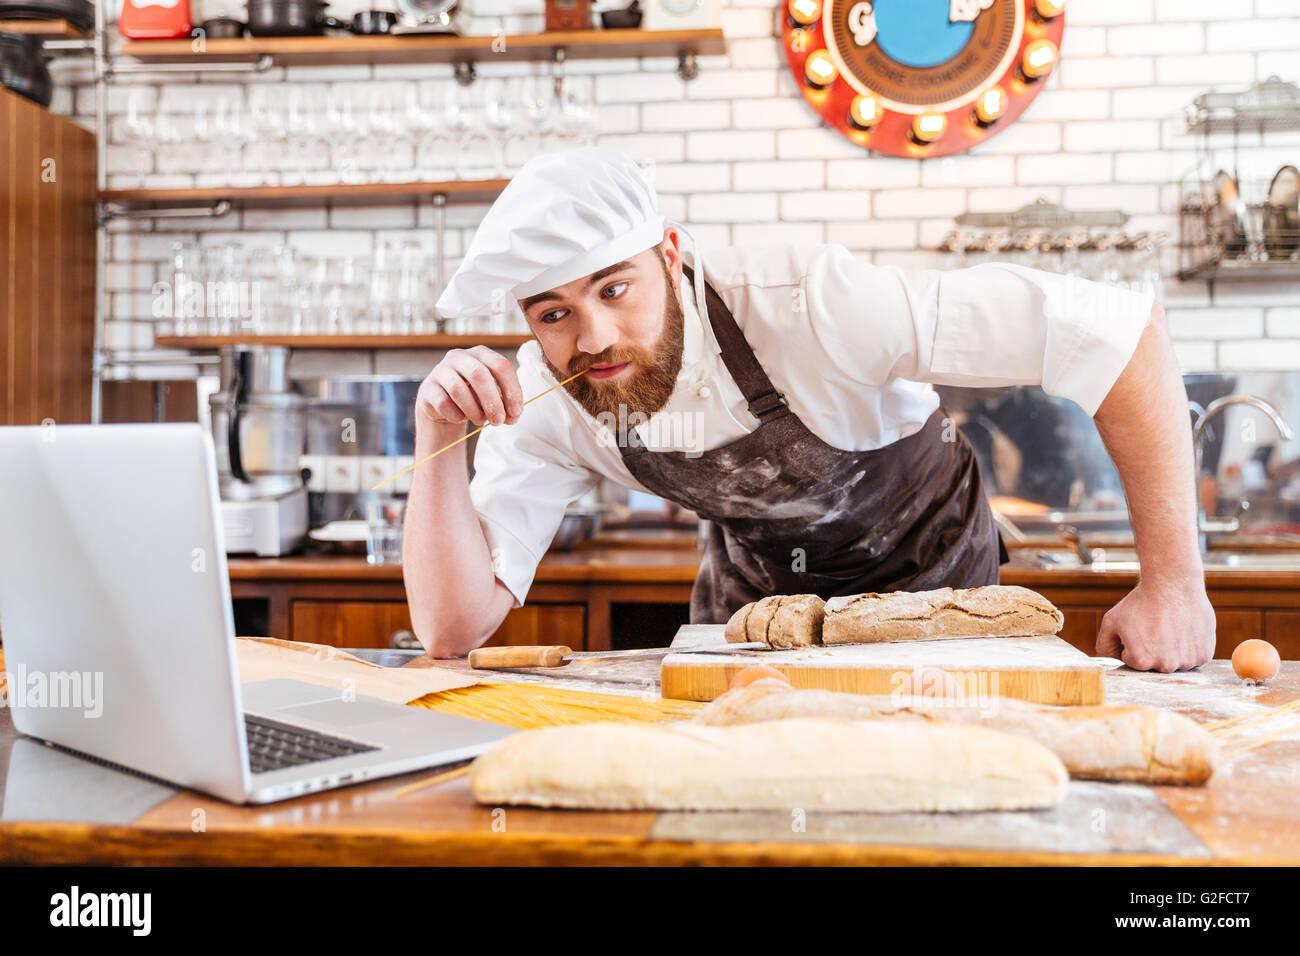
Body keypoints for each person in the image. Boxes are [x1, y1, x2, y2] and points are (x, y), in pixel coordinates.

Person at [402, 147, 1215, 672]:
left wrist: (1175, 585)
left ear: (672, 256)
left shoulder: (816, 306)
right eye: (553, 314)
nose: (595, 337)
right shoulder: (549, 398)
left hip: (936, 605)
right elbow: (453, 630)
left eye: (615, 288)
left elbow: (1123, 332)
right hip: (755, 626)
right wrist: (438, 435)